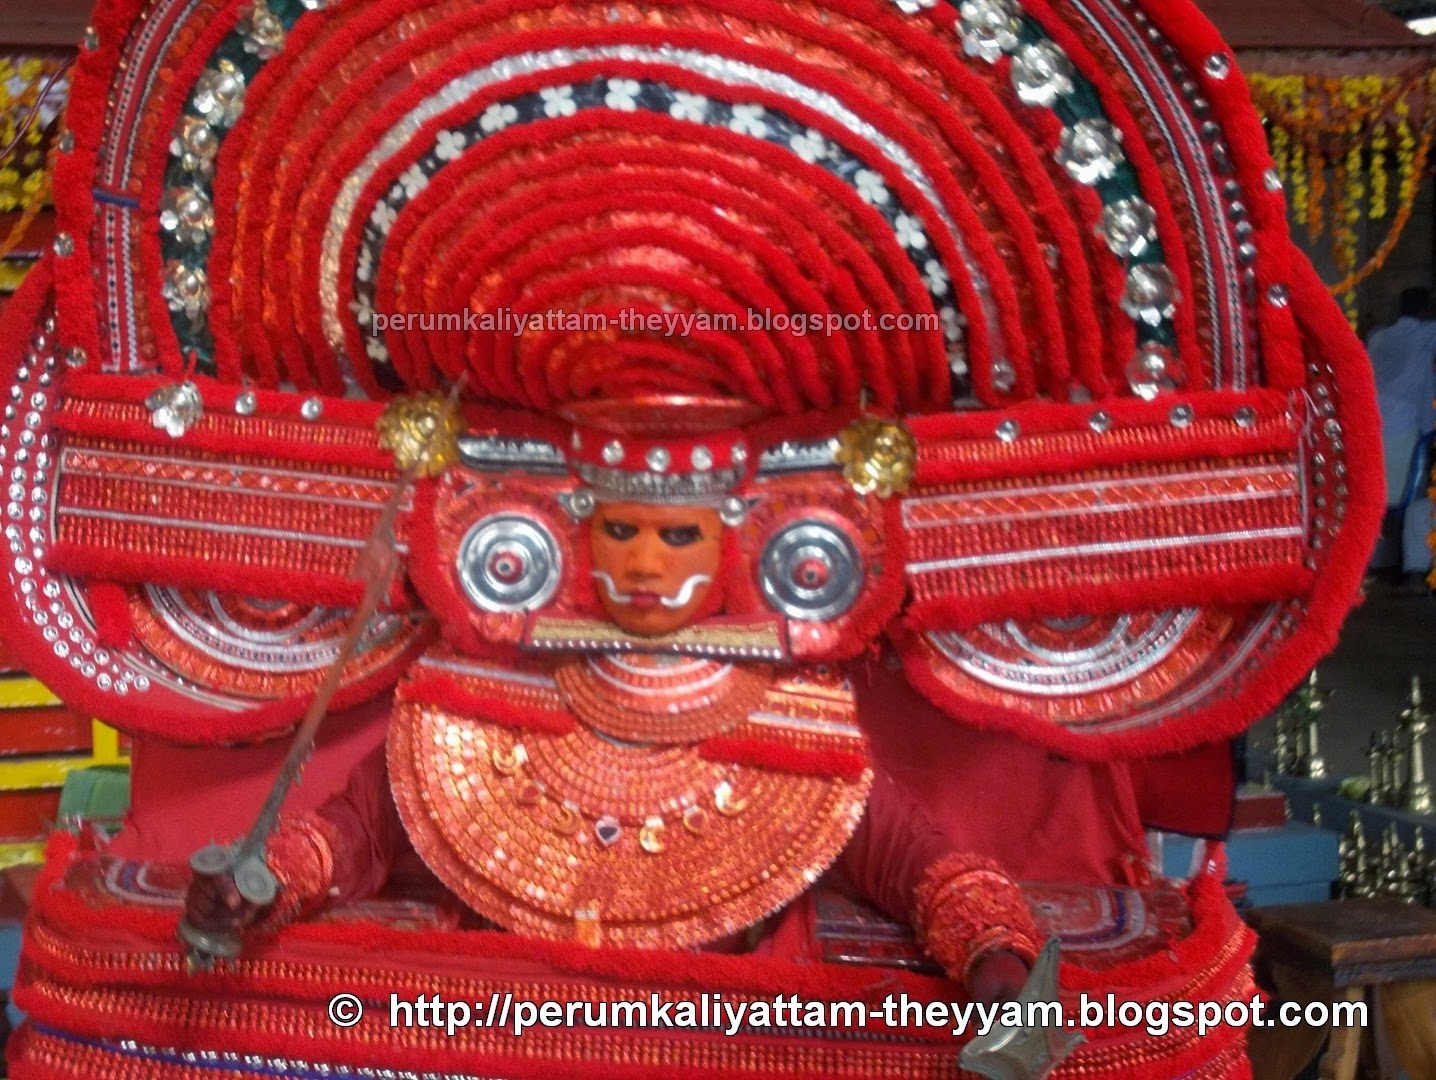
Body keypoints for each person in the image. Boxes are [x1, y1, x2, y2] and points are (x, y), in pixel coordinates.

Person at [1367, 287, 1436, 583]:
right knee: (1410, 498)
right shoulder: (1426, 334)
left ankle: (1371, 563)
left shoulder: (1379, 337)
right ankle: (1412, 571)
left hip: (1374, 423)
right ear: (1424, 311)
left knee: (1375, 497)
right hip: (1406, 426)